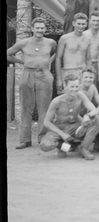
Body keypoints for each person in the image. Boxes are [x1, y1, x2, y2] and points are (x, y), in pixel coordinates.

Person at [7, 18, 57, 149]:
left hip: (44, 74)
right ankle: (25, 139)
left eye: (42, 28)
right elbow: (8, 54)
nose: (40, 30)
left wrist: (48, 62)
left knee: (44, 108)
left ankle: (42, 138)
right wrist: (23, 62)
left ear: (45, 29)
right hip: (27, 74)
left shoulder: (50, 42)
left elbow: (55, 53)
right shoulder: (24, 43)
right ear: (32, 28)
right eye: (37, 28)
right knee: (26, 107)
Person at [39, 75, 99, 160]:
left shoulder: (80, 95)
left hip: (76, 126)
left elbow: (95, 110)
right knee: (45, 145)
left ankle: (84, 148)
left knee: (98, 119)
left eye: (77, 86)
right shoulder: (57, 101)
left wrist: (87, 115)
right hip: (60, 128)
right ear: (65, 86)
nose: (75, 89)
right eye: (72, 86)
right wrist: (62, 134)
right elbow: (47, 122)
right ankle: (65, 146)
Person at [55, 13, 92, 93]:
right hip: (68, 72)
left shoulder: (87, 39)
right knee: (68, 99)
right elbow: (58, 58)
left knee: (83, 98)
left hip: (83, 71)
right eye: (78, 23)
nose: (81, 26)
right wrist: (59, 78)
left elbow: (88, 59)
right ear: (73, 23)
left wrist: (89, 74)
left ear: (86, 24)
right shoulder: (65, 38)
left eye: (83, 24)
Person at [84, 12, 99, 93]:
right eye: (94, 20)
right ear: (90, 21)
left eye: (98, 21)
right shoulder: (84, 34)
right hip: (86, 65)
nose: (96, 23)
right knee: (86, 89)